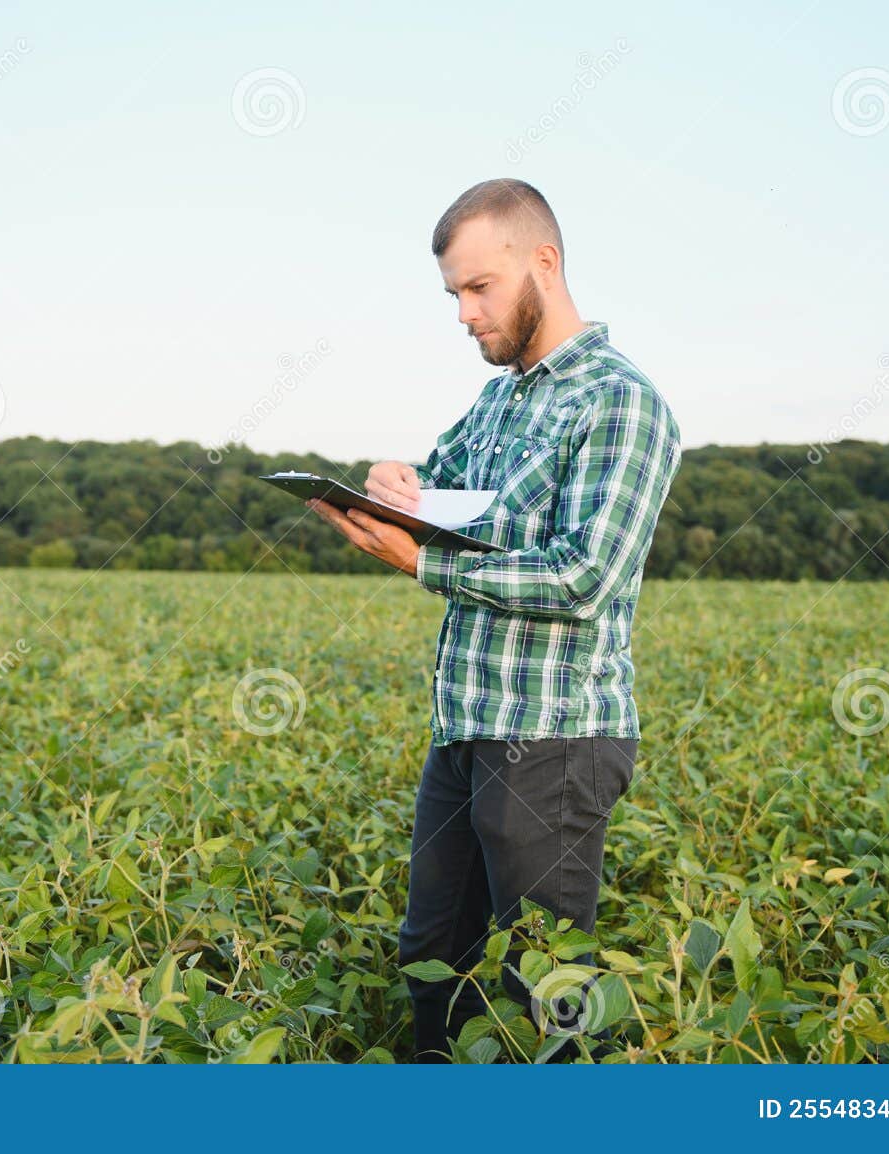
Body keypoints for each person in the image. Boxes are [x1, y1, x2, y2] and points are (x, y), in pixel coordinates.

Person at [306, 177, 682, 1061]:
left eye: (480, 288)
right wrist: (393, 484)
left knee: (538, 985)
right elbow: (431, 493)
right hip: (466, 725)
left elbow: (583, 576)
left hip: (554, 741)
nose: (465, 313)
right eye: (453, 295)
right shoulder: (499, 400)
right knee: (434, 956)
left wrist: (419, 559)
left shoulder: (619, 401)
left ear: (542, 264)